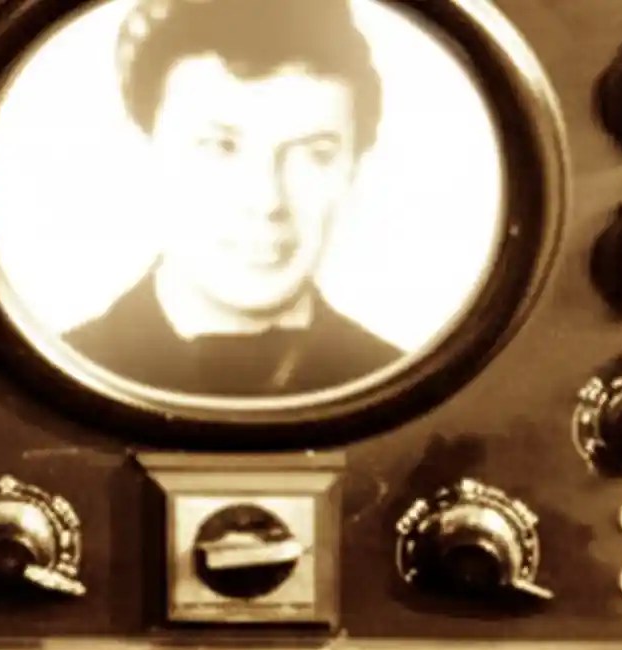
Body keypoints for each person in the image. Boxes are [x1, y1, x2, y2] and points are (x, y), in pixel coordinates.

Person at [63, 0, 404, 396]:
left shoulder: (402, 386)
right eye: (221, 147)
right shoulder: (57, 379)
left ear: (354, 169)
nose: (266, 199)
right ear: (143, 151)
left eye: (314, 154)